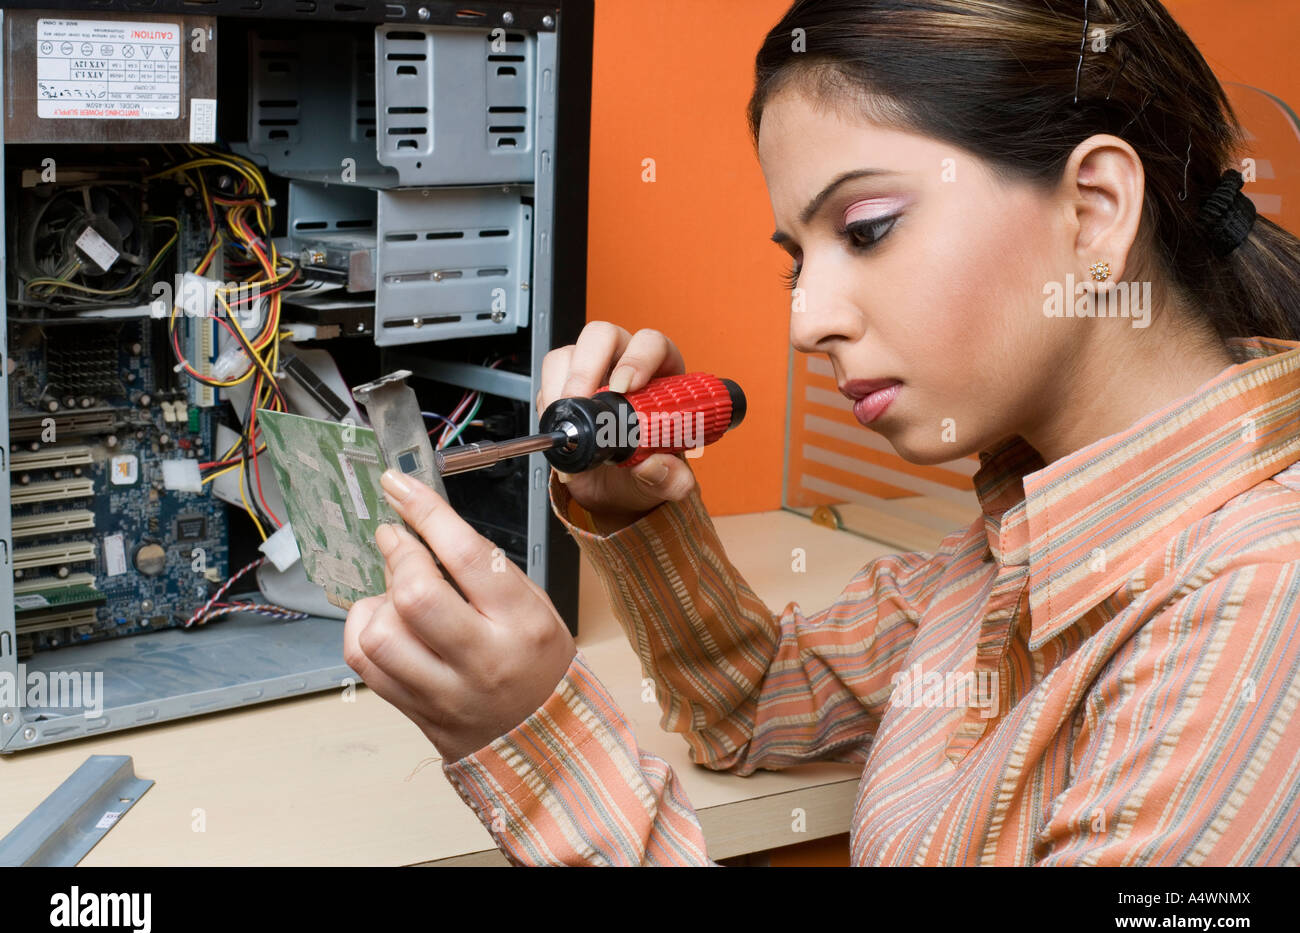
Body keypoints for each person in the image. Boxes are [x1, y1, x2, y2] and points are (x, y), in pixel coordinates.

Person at [343, 0, 1300, 865]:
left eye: (869, 227)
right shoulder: (1026, 533)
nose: (805, 323)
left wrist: (545, 755)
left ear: (1092, 211)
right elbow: (757, 705)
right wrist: (640, 516)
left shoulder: (1258, 614)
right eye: (796, 260)